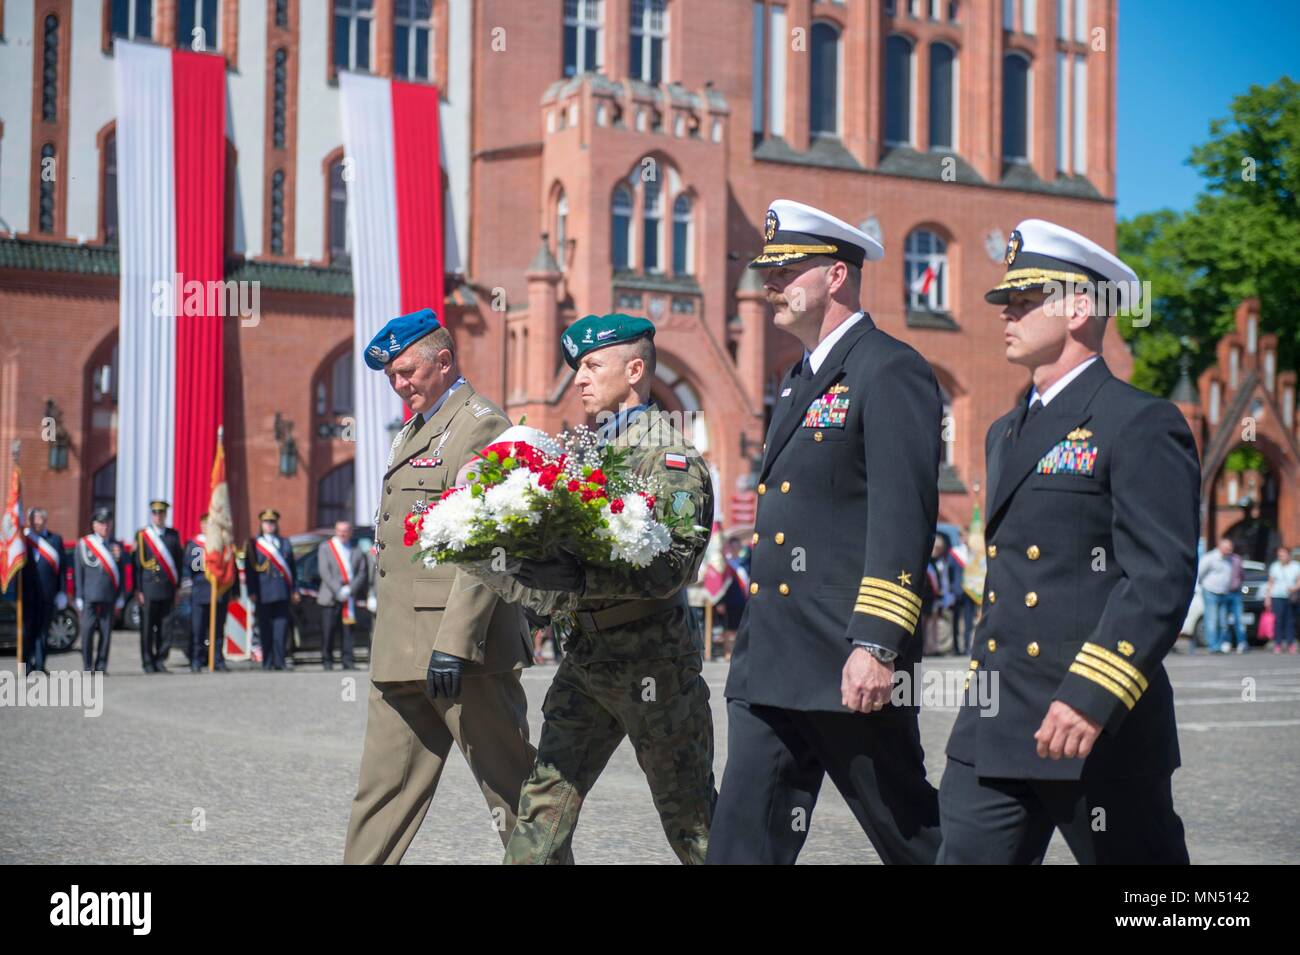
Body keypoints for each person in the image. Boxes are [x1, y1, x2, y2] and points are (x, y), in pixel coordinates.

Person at [937, 218, 1198, 864]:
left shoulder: (1138, 422)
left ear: (1080, 307)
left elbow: (1159, 577)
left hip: (1095, 725)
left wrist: (1090, 696)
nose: (1008, 314)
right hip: (996, 727)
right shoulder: (1003, 432)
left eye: (1026, 300)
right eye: (1006, 301)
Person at [707, 200, 944, 865]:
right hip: (772, 658)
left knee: (913, 836)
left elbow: (903, 514)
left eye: (785, 272)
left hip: (847, 660)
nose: (770, 286)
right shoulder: (796, 380)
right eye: (768, 273)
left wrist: (878, 641)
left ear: (836, 276)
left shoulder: (887, 368)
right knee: (740, 843)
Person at [501, 313, 716, 865]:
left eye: (593, 365)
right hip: (587, 659)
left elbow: (671, 567)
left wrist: (574, 576)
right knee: (542, 808)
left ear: (635, 369)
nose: (579, 378)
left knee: (693, 824)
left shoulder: (668, 456)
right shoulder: (590, 451)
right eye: (578, 368)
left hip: (653, 666)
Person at [344, 307, 537, 865]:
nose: (400, 386)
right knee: (381, 794)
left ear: (444, 360)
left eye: (407, 373)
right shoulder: (417, 428)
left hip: (464, 655)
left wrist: (455, 643)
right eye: (392, 379)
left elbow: (488, 544)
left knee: (513, 795)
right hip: (401, 648)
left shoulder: (480, 424)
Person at [134, 500, 183, 673]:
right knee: (147, 628)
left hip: (168, 589)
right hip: (148, 589)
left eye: (161, 513)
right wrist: (138, 590)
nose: (158, 516)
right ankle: (147, 662)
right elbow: (137, 566)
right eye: (155, 513)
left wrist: (178, 588)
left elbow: (179, 562)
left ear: (165, 514)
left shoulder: (173, 535)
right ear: (151, 514)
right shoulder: (142, 535)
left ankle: (161, 660)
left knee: (166, 628)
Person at [246, 509, 298, 670]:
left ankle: (280, 661)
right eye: (266, 522)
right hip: (263, 593)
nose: (269, 525)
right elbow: (250, 570)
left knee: (281, 629)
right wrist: (251, 591)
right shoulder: (254, 544)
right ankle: (267, 662)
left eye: (272, 522)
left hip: (282, 592)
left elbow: (292, 569)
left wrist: (294, 589)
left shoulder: (285, 543)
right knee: (265, 629)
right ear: (261, 524)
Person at [75, 507, 124, 673]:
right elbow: (78, 571)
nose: (105, 527)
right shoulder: (85, 544)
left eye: (107, 523)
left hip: (109, 595)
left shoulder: (116, 545)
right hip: (89, 595)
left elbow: (121, 573)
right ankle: (87, 666)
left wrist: (120, 595)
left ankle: (101, 666)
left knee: (106, 632)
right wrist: (79, 596)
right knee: (87, 632)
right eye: (101, 523)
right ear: (94, 525)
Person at [317, 520, 369, 670]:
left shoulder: (356, 549)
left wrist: (350, 590)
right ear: (335, 531)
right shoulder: (326, 548)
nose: (343, 533)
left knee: (348, 631)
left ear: (350, 532)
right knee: (328, 630)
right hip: (330, 597)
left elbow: (362, 573)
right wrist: (338, 590)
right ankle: (327, 661)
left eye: (345, 530)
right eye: (340, 530)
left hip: (349, 598)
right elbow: (324, 572)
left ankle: (348, 661)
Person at [22, 507, 65, 675]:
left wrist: (62, 591)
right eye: (32, 519)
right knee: (27, 631)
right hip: (27, 594)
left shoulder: (55, 539)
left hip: (48, 594)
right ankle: (25, 665)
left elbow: (62, 568)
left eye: (39, 519)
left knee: (43, 631)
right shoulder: (24, 540)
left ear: (45, 520)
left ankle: (40, 665)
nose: (35, 522)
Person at [184, 513, 229, 672]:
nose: (207, 528)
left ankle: (217, 659)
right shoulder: (195, 544)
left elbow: (229, 568)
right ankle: (197, 660)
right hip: (200, 592)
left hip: (218, 593)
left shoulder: (221, 545)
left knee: (217, 631)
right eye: (205, 525)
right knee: (198, 629)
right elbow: (191, 568)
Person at [1197, 538, 1238, 654]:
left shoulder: (1228, 559)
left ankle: (1219, 645)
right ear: (1220, 546)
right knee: (1212, 620)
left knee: (1223, 622)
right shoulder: (1210, 558)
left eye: (1231, 548)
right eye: (1227, 548)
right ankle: (1213, 646)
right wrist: (1203, 586)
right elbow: (1199, 573)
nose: (1230, 550)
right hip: (1210, 592)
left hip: (1224, 593)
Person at [1267, 545, 1300, 654]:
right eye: (1279, 555)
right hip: (1277, 596)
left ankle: (1291, 644)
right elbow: (1270, 583)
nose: (1281, 557)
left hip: (1290, 597)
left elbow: (1299, 581)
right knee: (1278, 621)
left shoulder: (1295, 566)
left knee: (1290, 621)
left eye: (1283, 555)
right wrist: (1267, 598)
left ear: (1288, 555)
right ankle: (1278, 644)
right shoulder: (1274, 566)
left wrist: (1294, 588)